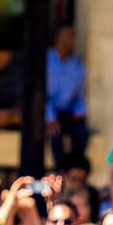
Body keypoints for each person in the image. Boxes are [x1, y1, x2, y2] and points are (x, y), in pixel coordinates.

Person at [46, 24, 87, 169]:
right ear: (59, 38)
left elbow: (79, 94)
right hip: (48, 112)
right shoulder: (45, 60)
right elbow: (41, 96)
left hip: (68, 112)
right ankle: (62, 172)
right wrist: (50, 118)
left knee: (82, 134)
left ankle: (74, 170)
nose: (73, 40)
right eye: (70, 36)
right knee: (55, 134)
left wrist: (79, 113)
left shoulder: (76, 65)